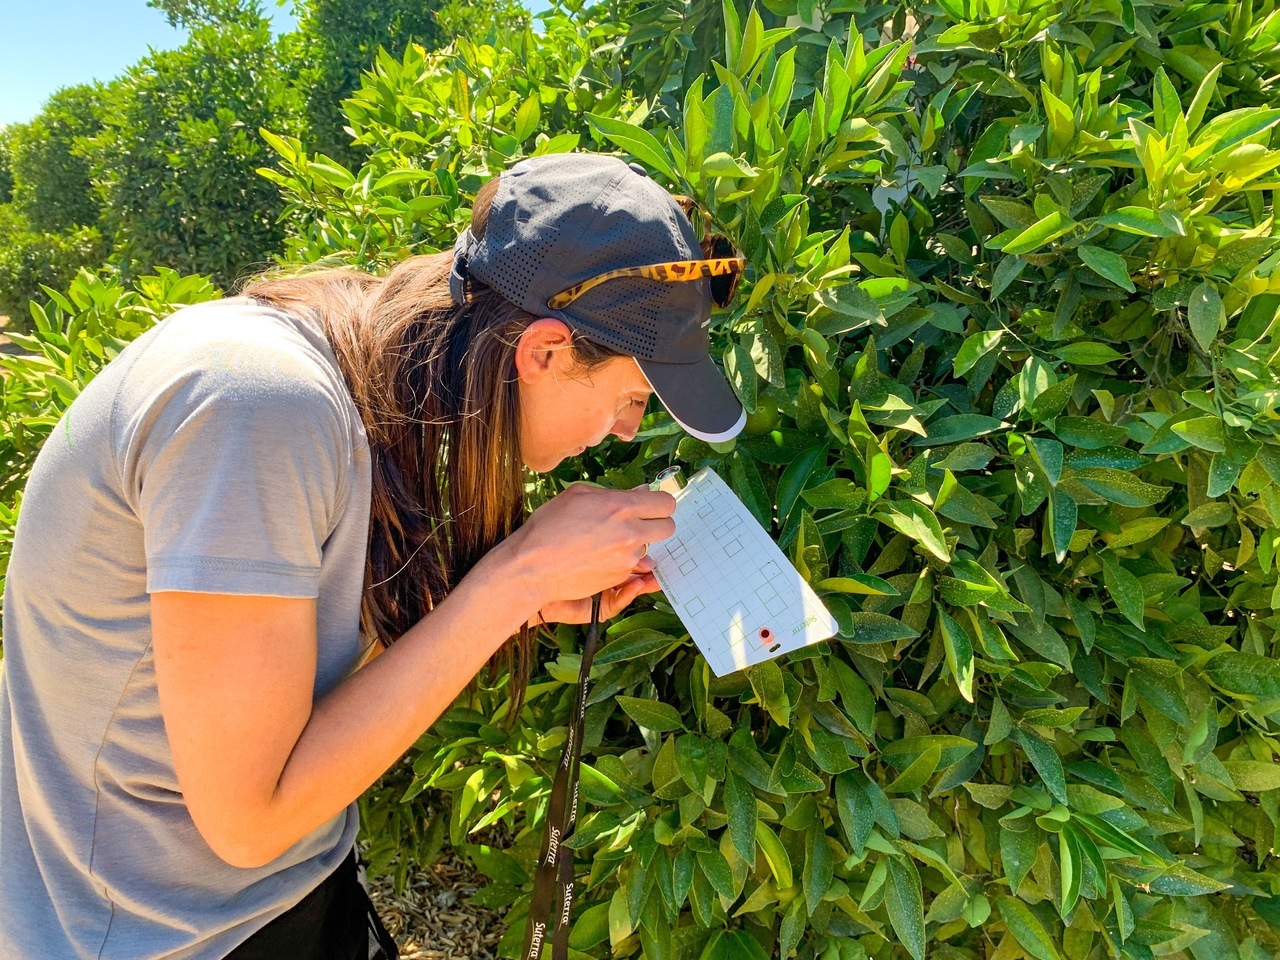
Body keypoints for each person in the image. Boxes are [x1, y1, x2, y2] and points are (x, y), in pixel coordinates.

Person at [0, 152, 747, 959]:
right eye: (634, 397)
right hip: (152, 934)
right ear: (545, 351)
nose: (630, 429)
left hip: (278, 895)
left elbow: (294, 688)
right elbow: (250, 820)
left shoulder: (362, 390)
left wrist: (518, 601)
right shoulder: (255, 405)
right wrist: (509, 578)